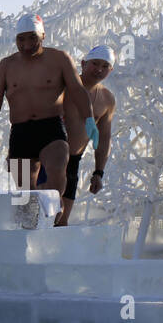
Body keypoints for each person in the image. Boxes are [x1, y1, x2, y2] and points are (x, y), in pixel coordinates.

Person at [0, 13, 96, 211]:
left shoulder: (59, 59)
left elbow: (77, 89)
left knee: (57, 167)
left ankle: (53, 211)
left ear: (43, 35)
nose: (26, 44)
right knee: (25, 192)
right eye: (21, 39)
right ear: (16, 39)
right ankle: (33, 223)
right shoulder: (7, 65)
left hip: (50, 127)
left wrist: (89, 119)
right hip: (20, 131)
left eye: (32, 38)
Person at [56, 45, 117, 227]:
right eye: (95, 64)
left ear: (110, 70)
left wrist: (99, 172)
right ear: (83, 64)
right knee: (35, 215)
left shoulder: (107, 99)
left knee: (61, 222)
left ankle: (55, 255)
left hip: (73, 162)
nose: (99, 69)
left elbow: (105, 138)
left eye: (105, 66)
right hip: (46, 158)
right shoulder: (63, 86)